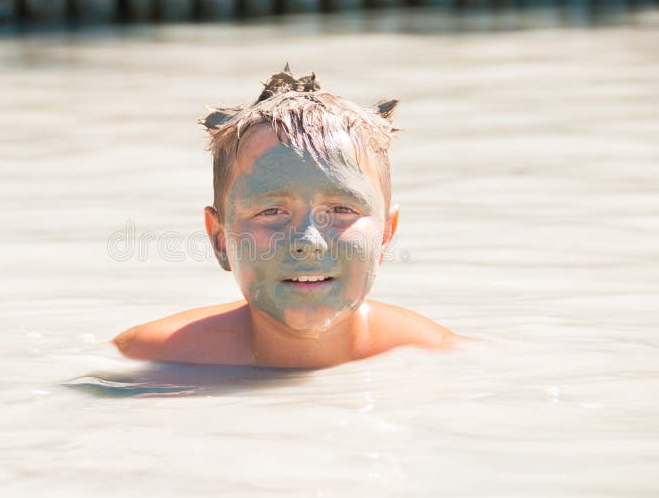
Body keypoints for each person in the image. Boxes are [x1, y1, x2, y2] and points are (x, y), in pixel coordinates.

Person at [113, 65, 464, 368]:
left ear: (387, 234)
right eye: (271, 212)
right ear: (220, 238)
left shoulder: (439, 359)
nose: (308, 243)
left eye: (341, 209)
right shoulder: (149, 357)